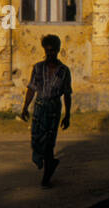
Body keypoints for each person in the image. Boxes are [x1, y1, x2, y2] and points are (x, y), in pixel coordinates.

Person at [20, 35, 72, 187]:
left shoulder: (64, 71)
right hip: (39, 107)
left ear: (57, 51)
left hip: (54, 109)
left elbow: (67, 94)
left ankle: (46, 177)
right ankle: (51, 163)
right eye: (47, 51)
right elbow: (31, 88)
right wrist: (25, 107)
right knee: (37, 141)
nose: (49, 54)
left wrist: (67, 115)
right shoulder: (37, 68)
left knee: (49, 143)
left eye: (52, 51)